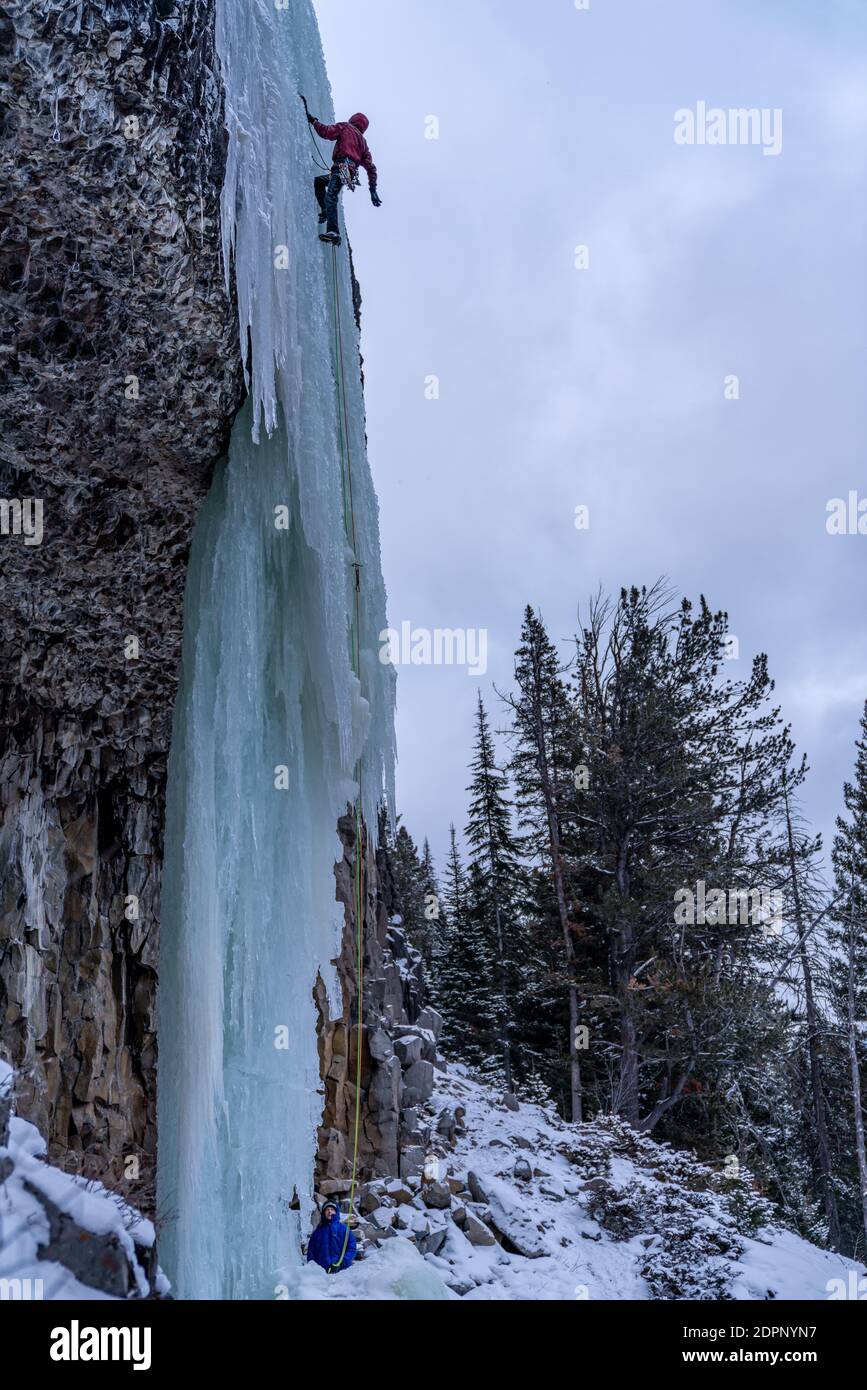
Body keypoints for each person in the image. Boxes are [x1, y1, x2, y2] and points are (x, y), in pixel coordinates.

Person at [303, 100, 382, 246]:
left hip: (341, 167)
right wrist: (373, 190)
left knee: (331, 195)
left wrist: (314, 121)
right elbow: (371, 168)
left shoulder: (346, 127)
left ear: (352, 120)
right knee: (320, 182)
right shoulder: (363, 143)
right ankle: (326, 211)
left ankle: (334, 231)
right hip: (348, 173)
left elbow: (326, 132)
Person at [306, 1200, 357, 1273]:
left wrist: (342, 1262)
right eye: (327, 1209)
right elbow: (311, 1252)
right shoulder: (317, 1232)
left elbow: (352, 1248)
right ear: (324, 1213)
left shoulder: (344, 1229)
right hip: (322, 1273)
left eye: (332, 1209)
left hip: (342, 1272)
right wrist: (313, 1268)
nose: (329, 1211)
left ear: (336, 1212)